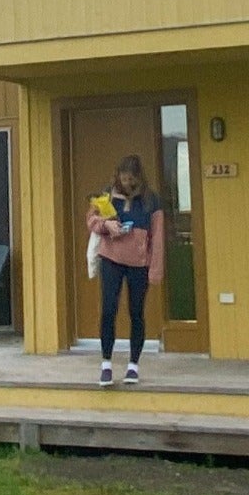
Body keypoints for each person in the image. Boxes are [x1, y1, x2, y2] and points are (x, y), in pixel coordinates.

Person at [88, 153, 164, 384]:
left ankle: (133, 365)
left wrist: (155, 269)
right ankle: (106, 364)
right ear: (118, 176)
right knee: (108, 309)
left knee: (136, 312)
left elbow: (158, 236)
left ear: (139, 178)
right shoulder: (107, 194)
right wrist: (107, 225)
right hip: (111, 258)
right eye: (123, 178)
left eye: (131, 179)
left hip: (139, 263)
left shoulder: (151, 200)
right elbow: (91, 220)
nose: (127, 183)